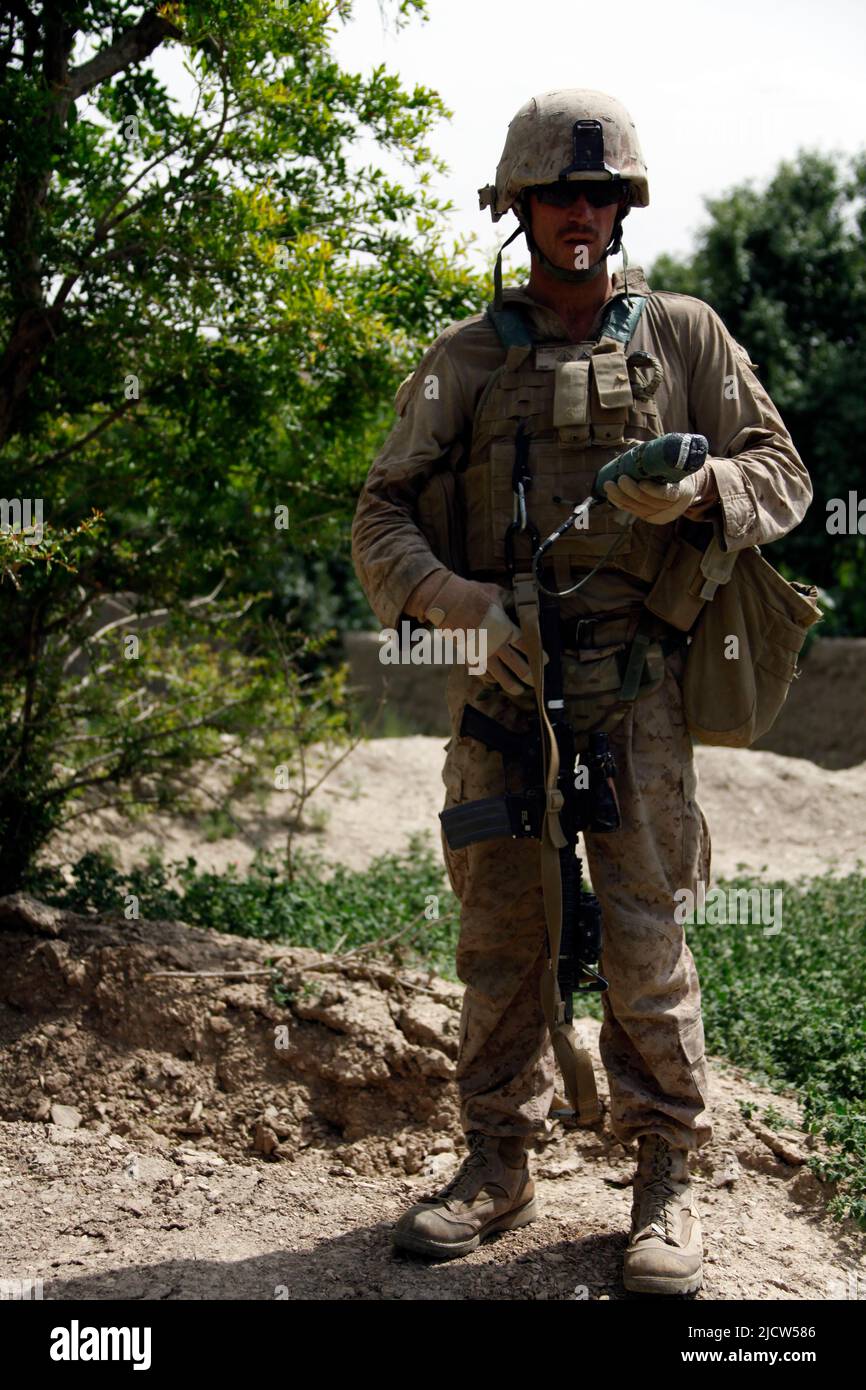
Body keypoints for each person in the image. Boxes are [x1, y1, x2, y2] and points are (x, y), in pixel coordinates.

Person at [350, 90, 812, 1296]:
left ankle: (663, 1179)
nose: (583, 215)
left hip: (637, 689)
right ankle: (496, 1163)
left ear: (624, 208)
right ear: (518, 206)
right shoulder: (461, 361)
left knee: (647, 936)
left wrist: (700, 487)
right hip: (502, 690)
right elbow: (378, 518)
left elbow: (785, 475)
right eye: (560, 192)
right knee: (502, 934)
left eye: (602, 195)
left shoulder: (686, 338)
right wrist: (457, 603)